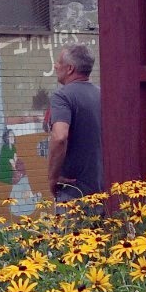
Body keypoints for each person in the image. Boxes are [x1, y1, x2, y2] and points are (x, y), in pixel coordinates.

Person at [46, 44, 102, 201]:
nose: (55, 66)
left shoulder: (62, 96)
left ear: (70, 69)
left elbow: (59, 137)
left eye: (58, 62)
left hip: (73, 192)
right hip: (103, 190)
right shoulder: (102, 95)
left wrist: (53, 177)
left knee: (68, 227)